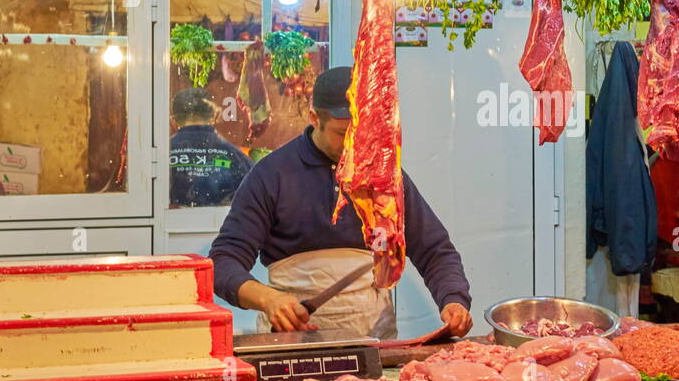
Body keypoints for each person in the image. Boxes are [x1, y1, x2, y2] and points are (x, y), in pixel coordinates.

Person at [209, 67, 474, 339]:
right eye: (341, 133)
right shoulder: (272, 174)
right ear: (314, 118)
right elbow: (223, 261)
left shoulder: (384, 175)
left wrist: (453, 300)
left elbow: (434, 249)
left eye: (361, 134)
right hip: (290, 341)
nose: (353, 145)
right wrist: (268, 299)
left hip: (372, 340)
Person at [169, 88, 254, 207]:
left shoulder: (160, 156)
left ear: (173, 121)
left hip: (167, 224)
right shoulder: (237, 158)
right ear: (214, 116)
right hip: (223, 225)